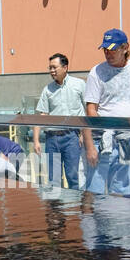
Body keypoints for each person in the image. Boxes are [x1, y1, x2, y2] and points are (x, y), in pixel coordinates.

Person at [83, 29, 130, 196]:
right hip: (102, 139)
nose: (107, 53)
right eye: (105, 49)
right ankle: (95, 221)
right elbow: (90, 109)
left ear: (125, 47)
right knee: (94, 188)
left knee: (123, 187)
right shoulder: (96, 72)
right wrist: (90, 146)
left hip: (127, 138)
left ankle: (119, 221)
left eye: (112, 49)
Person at [32, 52, 86, 189]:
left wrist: (84, 134)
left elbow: (88, 112)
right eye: (50, 68)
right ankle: (56, 209)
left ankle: (75, 208)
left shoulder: (79, 85)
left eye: (54, 67)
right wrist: (36, 140)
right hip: (52, 139)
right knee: (53, 180)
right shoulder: (48, 90)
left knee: (73, 177)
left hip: (72, 137)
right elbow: (42, 115)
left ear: (65, 67)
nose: (51, 71)